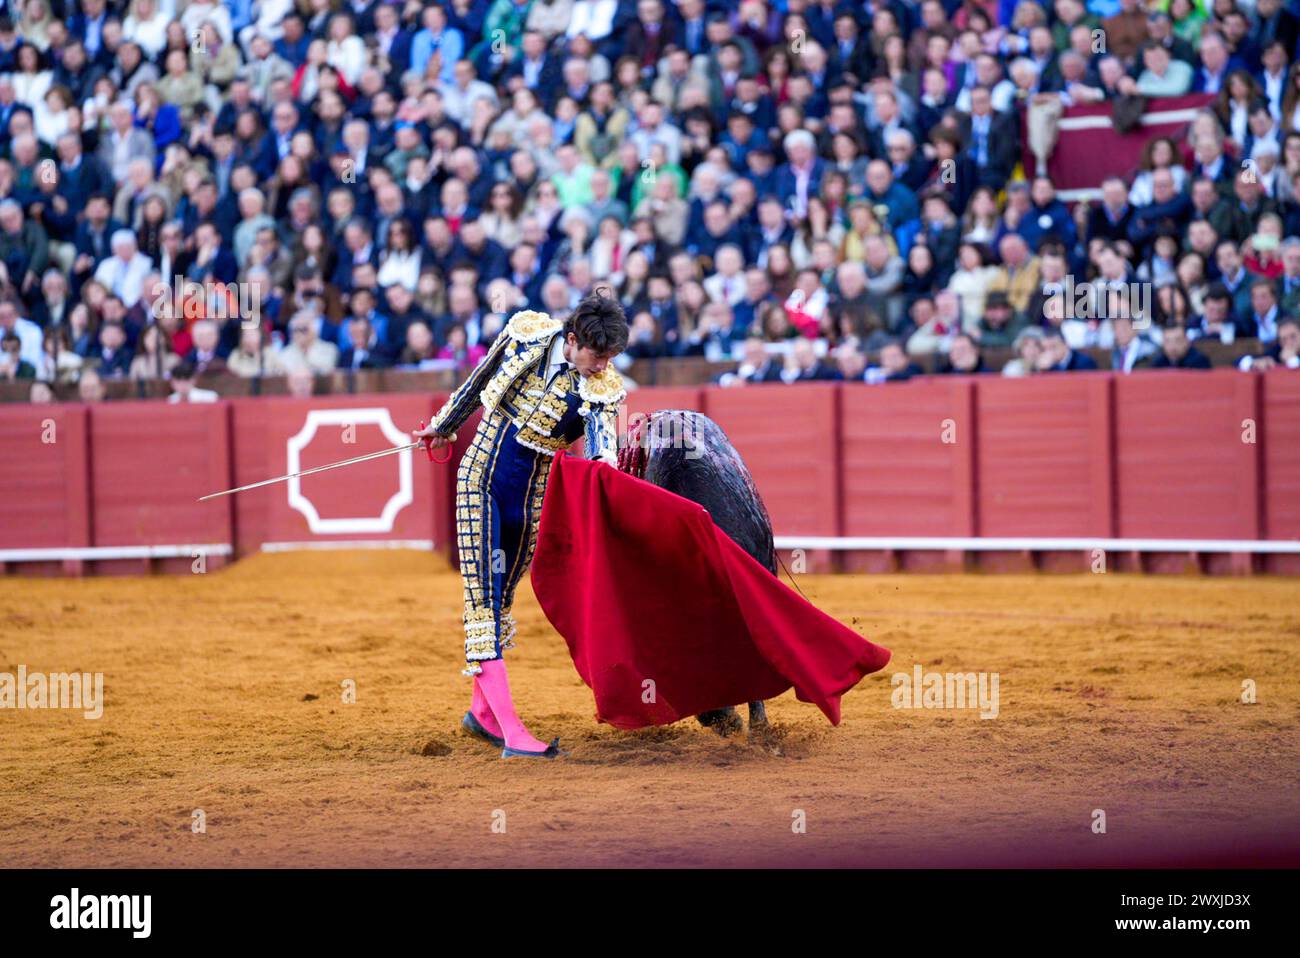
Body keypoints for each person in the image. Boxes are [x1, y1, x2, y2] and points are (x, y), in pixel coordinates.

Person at [410, 290, 629, 759]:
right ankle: (511, 732)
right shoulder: (526, 334)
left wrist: (608, 481)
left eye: (611, 356)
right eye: (597, 354)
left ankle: (482, 715)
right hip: (480, 480)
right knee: (483, 601)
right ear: (572, 340)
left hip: (530, 501)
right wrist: (443, 425)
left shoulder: (603, 388)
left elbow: (602, 451)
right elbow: (478, 380)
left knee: (503, 597)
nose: (603, 365)